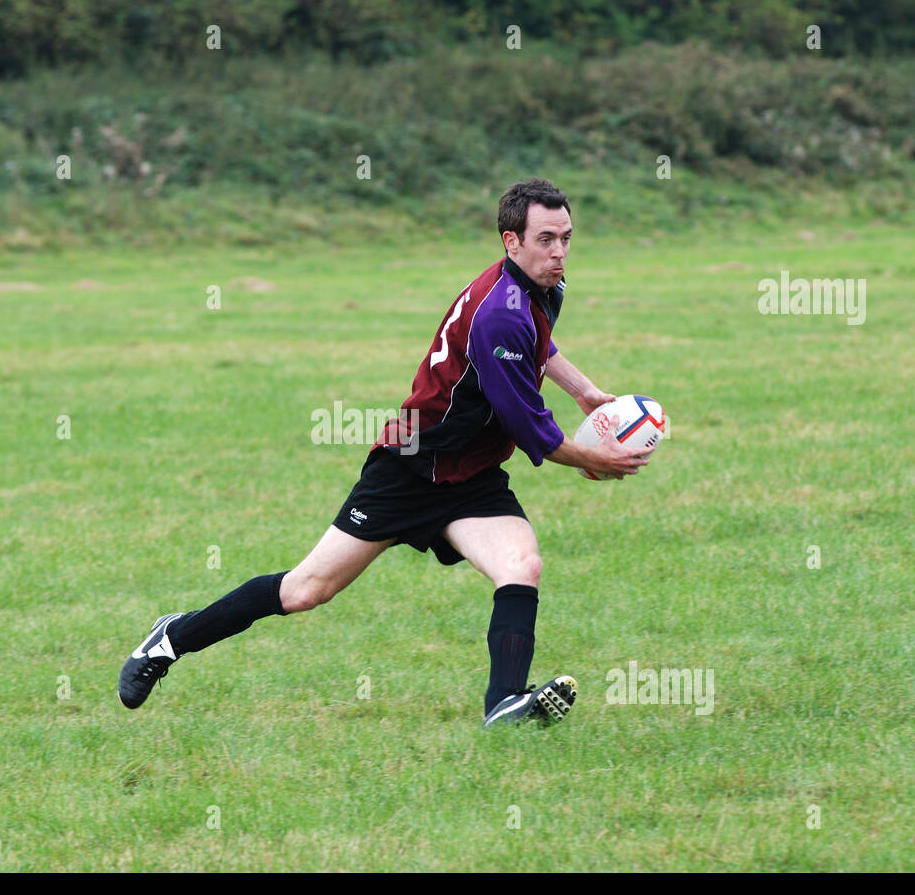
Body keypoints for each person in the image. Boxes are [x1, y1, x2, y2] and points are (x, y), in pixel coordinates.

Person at [118, 177, 649, 728]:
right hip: (411, 467)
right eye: (545, 239)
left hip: (470, 475)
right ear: (510, 242)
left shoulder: (540, 289)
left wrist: (582, 390)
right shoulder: (500, 314)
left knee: (522, 564)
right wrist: (597, 458)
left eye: (566, 238)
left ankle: (504, 704)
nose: (559, 252)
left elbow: (540, 344)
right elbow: (532, 429)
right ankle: (169, 640)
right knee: (305, 590)